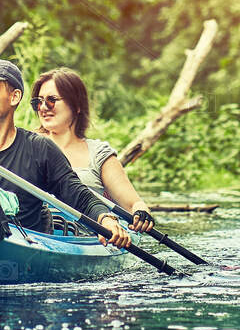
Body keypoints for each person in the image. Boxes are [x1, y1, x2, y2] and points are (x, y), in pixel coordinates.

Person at [0, 57, 131, 247]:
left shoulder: (40, 149)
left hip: (28, 245)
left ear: (14, 97)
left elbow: (80, 197)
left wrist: (106, 219)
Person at [31, 67, 154, 233]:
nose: (43, 108)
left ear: (76, 106)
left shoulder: (99, 154)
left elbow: (133, 204)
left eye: (51, 100)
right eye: (38, 102)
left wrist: (141, 212)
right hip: (33, 234)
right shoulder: (26, 145)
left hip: (83, 238)